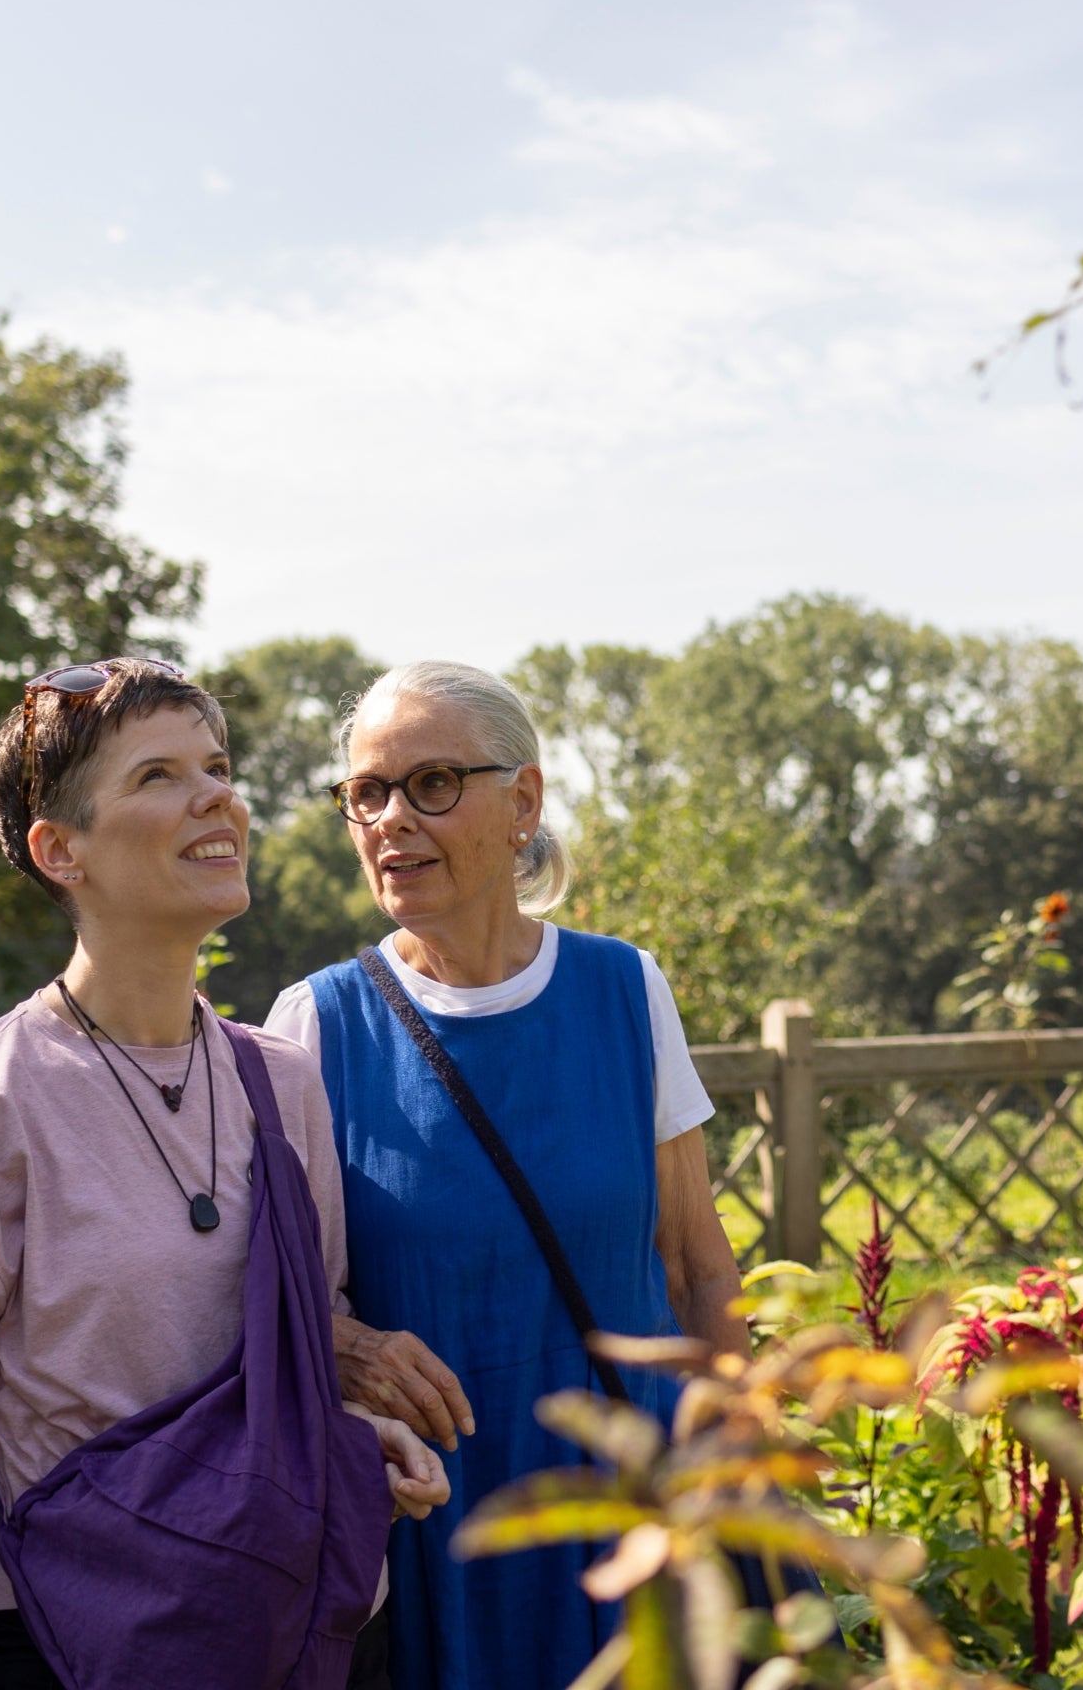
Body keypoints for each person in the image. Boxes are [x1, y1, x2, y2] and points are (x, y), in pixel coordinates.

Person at [0, 657, 447, 1690]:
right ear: (59, 849)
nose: (218, 794)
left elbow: (295, 1359)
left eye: (217, 764)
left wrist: (359, 1436)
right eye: (159, 775)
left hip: (306, 1617)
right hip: (86, 1639)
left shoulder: (282, 1084)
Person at [266, 659, 748, 1690]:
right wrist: (344, 1344)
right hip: (441, 1524)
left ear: (522, 800)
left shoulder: (625, 989)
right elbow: (270, 1301)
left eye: (432, 783)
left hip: (639, 1510)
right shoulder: (316, 1026)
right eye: (366, 793)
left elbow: (697, 1264)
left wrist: (738, 1468)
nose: (390, 819)